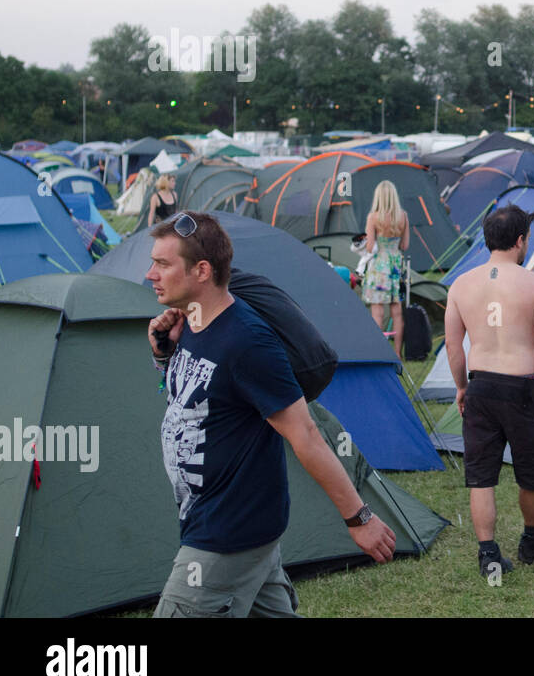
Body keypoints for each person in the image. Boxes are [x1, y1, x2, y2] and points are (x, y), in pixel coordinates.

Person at [145, 211, 396, 617]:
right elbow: (190, 402)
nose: (150, 274)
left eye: (162, 264)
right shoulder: (191, 322)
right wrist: (163, 356)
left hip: (225, 534)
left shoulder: (247, 341)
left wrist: (359, 517)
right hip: (223, 522)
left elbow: (305, 434)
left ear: (202, 270)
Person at [445, 204, 534, 577]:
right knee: (532, 472)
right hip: (521, 389)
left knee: (481, 476)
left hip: (481, 386)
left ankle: (488, 555)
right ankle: (533, 541)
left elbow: (455, 348)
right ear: (521, 240)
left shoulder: (462, 284)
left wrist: (461, 387)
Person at [361, 179, 410, 358]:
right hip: (396, 266)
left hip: (379, 266)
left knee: (378, 311)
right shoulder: (403, 216)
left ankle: (379, 352)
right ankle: (397, 352)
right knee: (397, 312)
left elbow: (369, 246)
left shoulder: (373, 217)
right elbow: (404, 245)